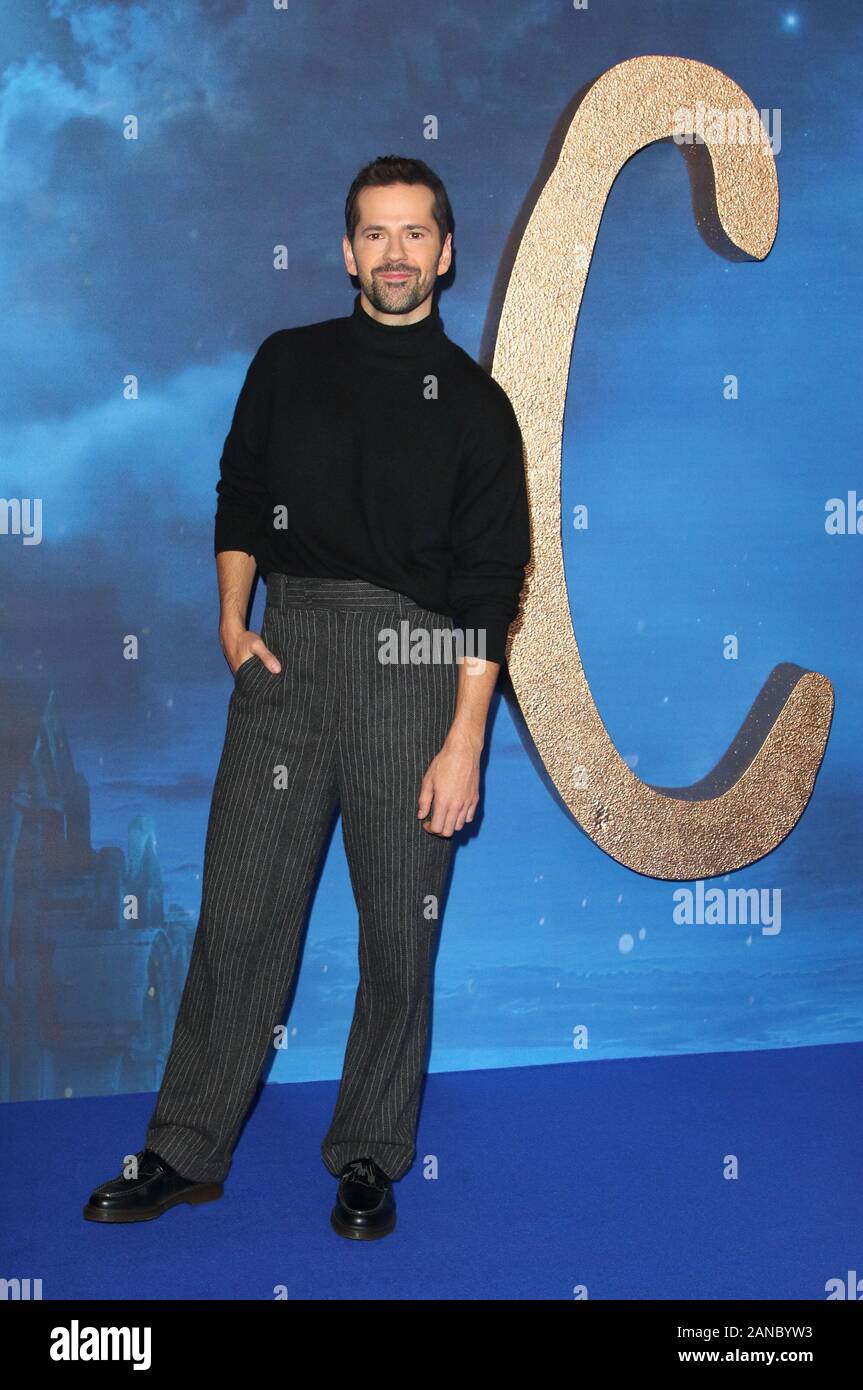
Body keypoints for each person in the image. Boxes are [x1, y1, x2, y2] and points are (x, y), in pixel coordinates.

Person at [83, 154, 531, 1240]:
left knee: (398, 931)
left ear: (445, 251)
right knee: (238, 915)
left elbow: (490, 582)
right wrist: (233, 624)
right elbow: (239, 489)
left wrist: (464, 738)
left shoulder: (475, 406)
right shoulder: (287, 363)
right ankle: (184, 1148)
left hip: (419, 671)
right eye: (373, 234)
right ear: (345, 252)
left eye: (414, 233)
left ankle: (370, 1154)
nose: (393, 253)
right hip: (287, 655)